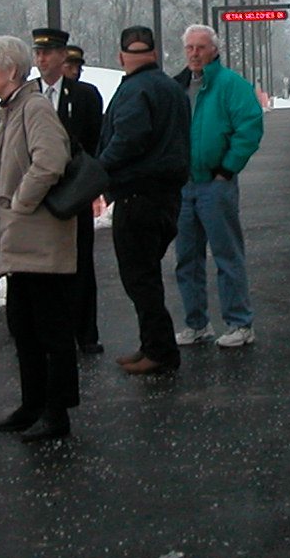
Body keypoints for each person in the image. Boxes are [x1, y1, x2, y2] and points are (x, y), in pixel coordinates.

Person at [0, 34, 81, 440]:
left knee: (51, 329)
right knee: (24, 326)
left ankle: (56, 413)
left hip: (40, 242)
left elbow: (51, 160)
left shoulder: (33, 108)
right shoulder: (11, 110)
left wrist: (19, 204)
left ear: (11, 71)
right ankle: (33, 403)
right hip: (21, 244)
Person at [96, 24, 190, 374]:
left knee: (140, 279)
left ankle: (160, 352)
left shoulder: (135, 90)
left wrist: (97, 170)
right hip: (167, 196)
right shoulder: (171, 88)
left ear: (121, 57)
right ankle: (151, 344)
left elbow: (129, 139)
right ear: (154, 53)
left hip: (138, 196)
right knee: (145, 275)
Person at [173, 23, 266, 348]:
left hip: (216, 184)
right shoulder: (178, 86)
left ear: (214, 50)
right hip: (184, 186)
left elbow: (250, 126)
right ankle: (196, 324)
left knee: (227, 255)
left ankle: (240, 323)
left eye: (201, 47)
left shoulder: (230, 85)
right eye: (190, 48)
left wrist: (227, 169)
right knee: (187, 258)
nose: (195, 54)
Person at [34, 28, 105, 353]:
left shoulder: (85, 95)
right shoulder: (28, 94)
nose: (42, 59)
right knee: (43, 267)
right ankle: (50, 330)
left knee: (80, 263)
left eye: (48, 53)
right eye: (38, 53)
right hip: (38, 197)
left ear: (63, 57)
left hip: (73, 194)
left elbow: (93, 143)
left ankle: (85, 333)